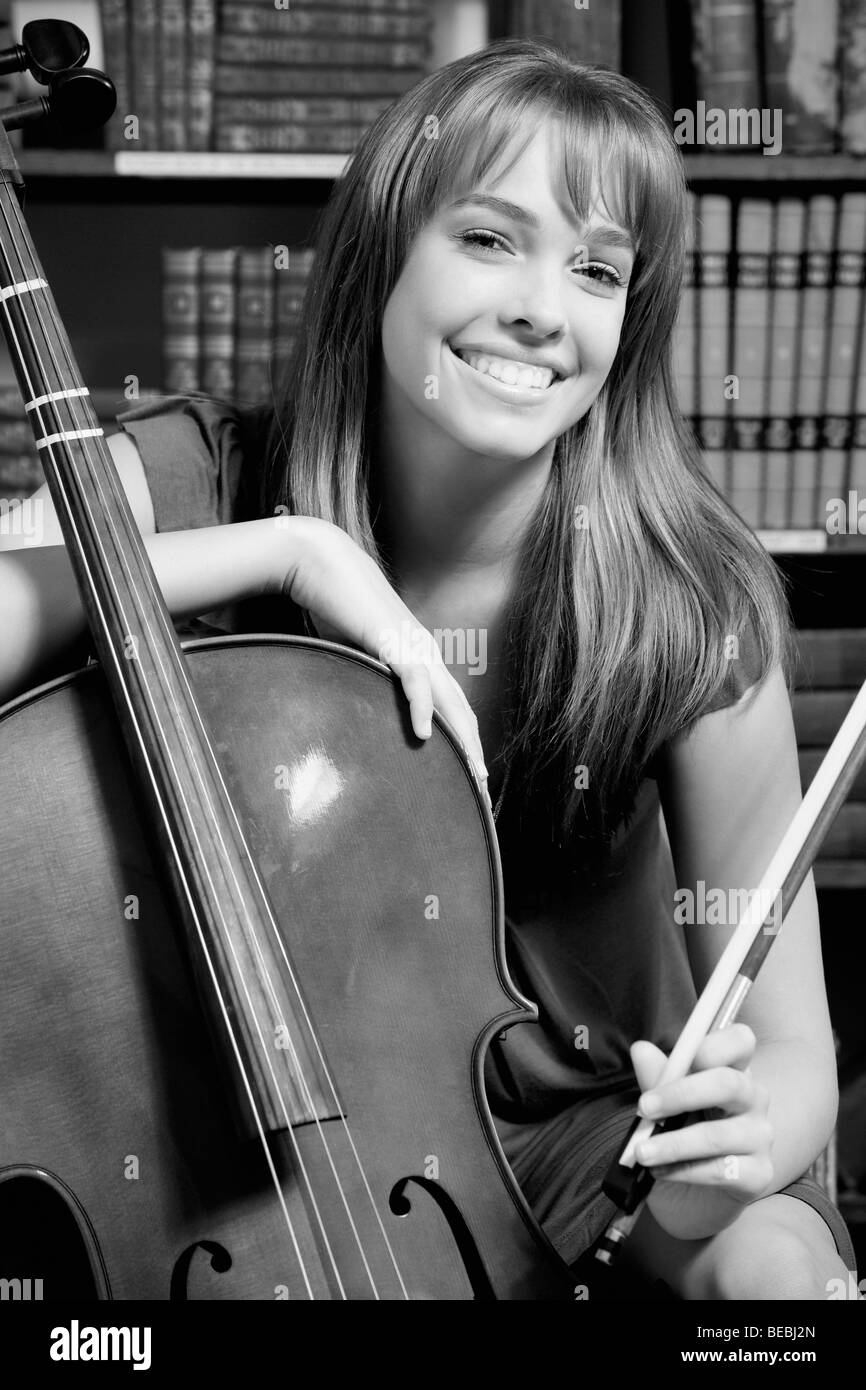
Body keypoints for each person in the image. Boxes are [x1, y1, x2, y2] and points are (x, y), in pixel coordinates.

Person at [0, 38, 857, 1300]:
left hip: (581, 1143)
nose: (540, 307)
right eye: (488, 238)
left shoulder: (688, 598)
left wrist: (732, 1146)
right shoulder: (197, 474)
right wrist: (291, 551)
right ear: (381, 253)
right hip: (265, 1130)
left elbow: (787, 1051)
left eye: (595, 268)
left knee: (777, 1280)